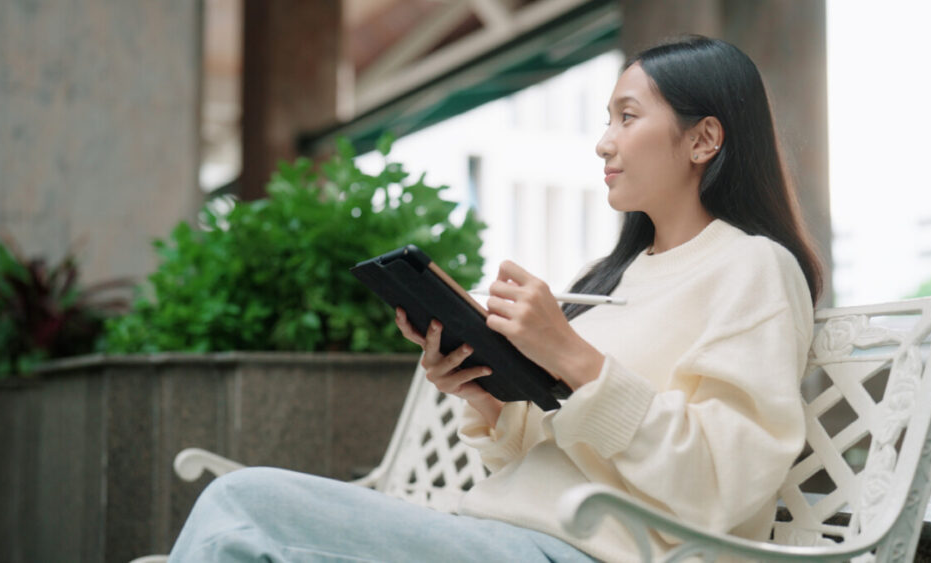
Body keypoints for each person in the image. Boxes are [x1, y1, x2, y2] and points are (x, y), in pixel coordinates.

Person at [168, 35, 823, 563]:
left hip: (585, 549)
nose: (604, 141)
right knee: (242, 513)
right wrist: (487, 392)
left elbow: (723, 482)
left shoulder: (754, 268)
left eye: (628, 116)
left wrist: (574, 356)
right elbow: (543, 459)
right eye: (606, 120)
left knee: (241, 507)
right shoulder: (616, 278)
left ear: (704, 139)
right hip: (499, 529)